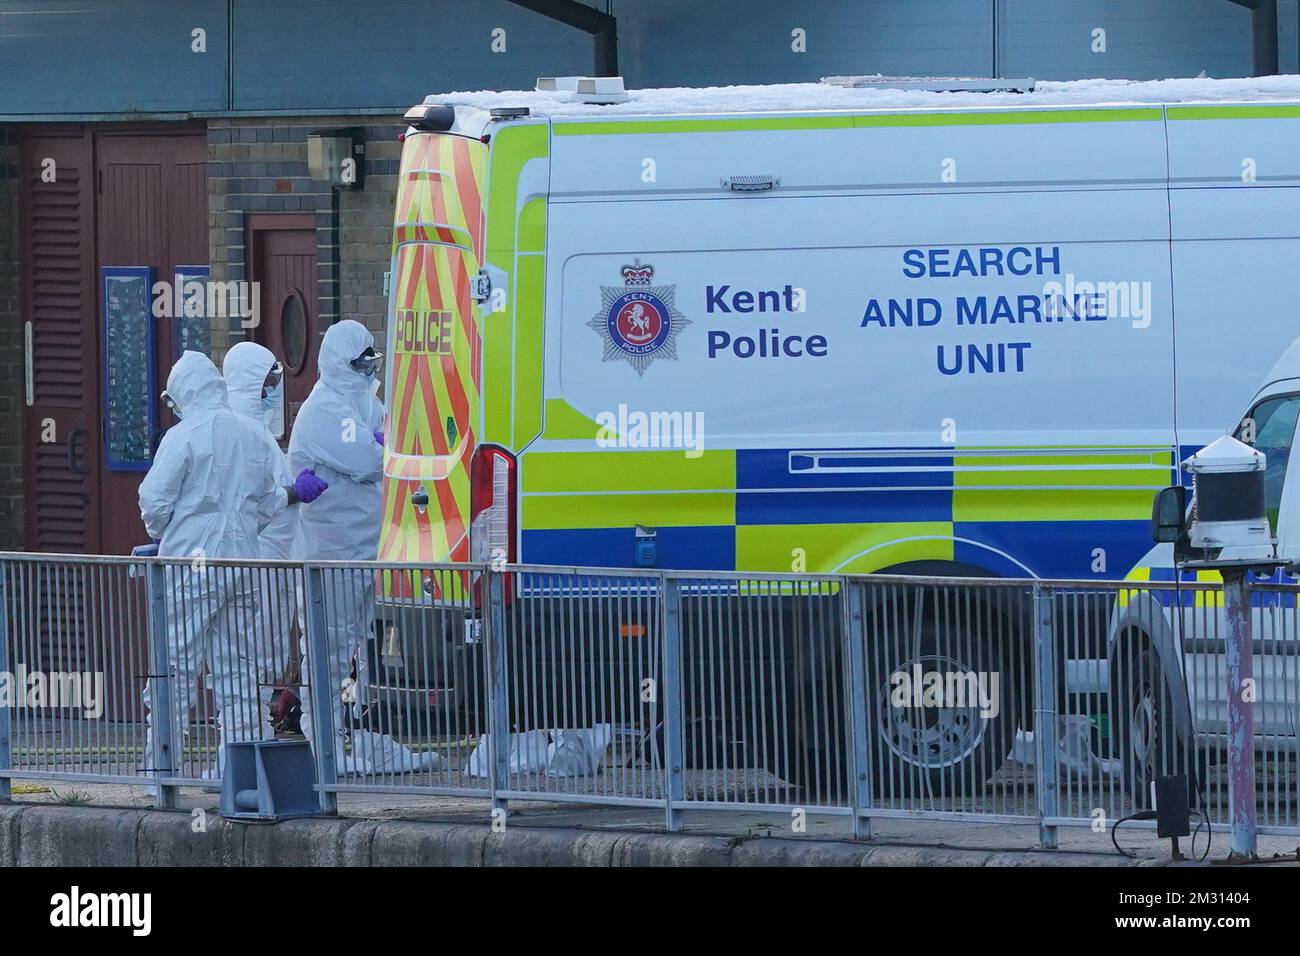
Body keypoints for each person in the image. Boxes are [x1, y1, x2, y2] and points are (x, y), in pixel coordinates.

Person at [138, 351, 325, 778]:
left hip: (190, 567)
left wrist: (165, 532)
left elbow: (153, 501)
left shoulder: (183, 436)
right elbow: (268, 501)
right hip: (241, 563)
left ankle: (161, 775)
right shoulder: (248, 435)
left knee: (175, 670)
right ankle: (238, 775)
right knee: (238, 672)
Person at [288, 320, 436, 774]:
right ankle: (323, 747)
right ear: (338, 364)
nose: (368, 370)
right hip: (329, 554)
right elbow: (375, 460)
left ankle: (361, 738)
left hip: (364, 550)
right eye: (359, 363)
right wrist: (381, 447)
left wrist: (384, 445)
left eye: (371, 360)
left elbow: (397, 442)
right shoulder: (323, 412)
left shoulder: (360, 403)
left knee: (362, 650)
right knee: (328, 651)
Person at [221, 341, 327, 742]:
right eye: (268, 381)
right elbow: (258, 501)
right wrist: (294, 491)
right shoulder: (242, 430)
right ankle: (244, 743)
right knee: (248, 655)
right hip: (257, 561)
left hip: (272, 563)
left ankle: (253, 738)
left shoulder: (255, 429)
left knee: (261, 653)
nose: (272, 390)